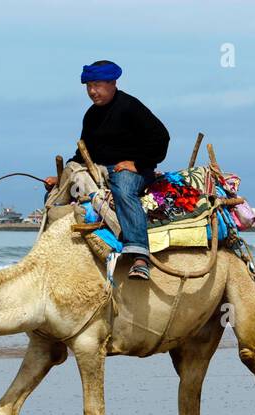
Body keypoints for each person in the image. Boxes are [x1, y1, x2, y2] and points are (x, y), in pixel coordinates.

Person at [45, 60, 170, 280]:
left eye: (97, 85)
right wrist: (60, 179)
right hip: (99, 170)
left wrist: (137, 164)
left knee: (123, 190)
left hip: (134, 170)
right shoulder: (91, 115)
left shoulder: (131, 107)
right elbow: (84, 154)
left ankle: (140, 256)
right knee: (55, 195)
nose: (92, 92)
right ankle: (52, 252)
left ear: (112, 83)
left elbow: (161, 138)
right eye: (88, 86)